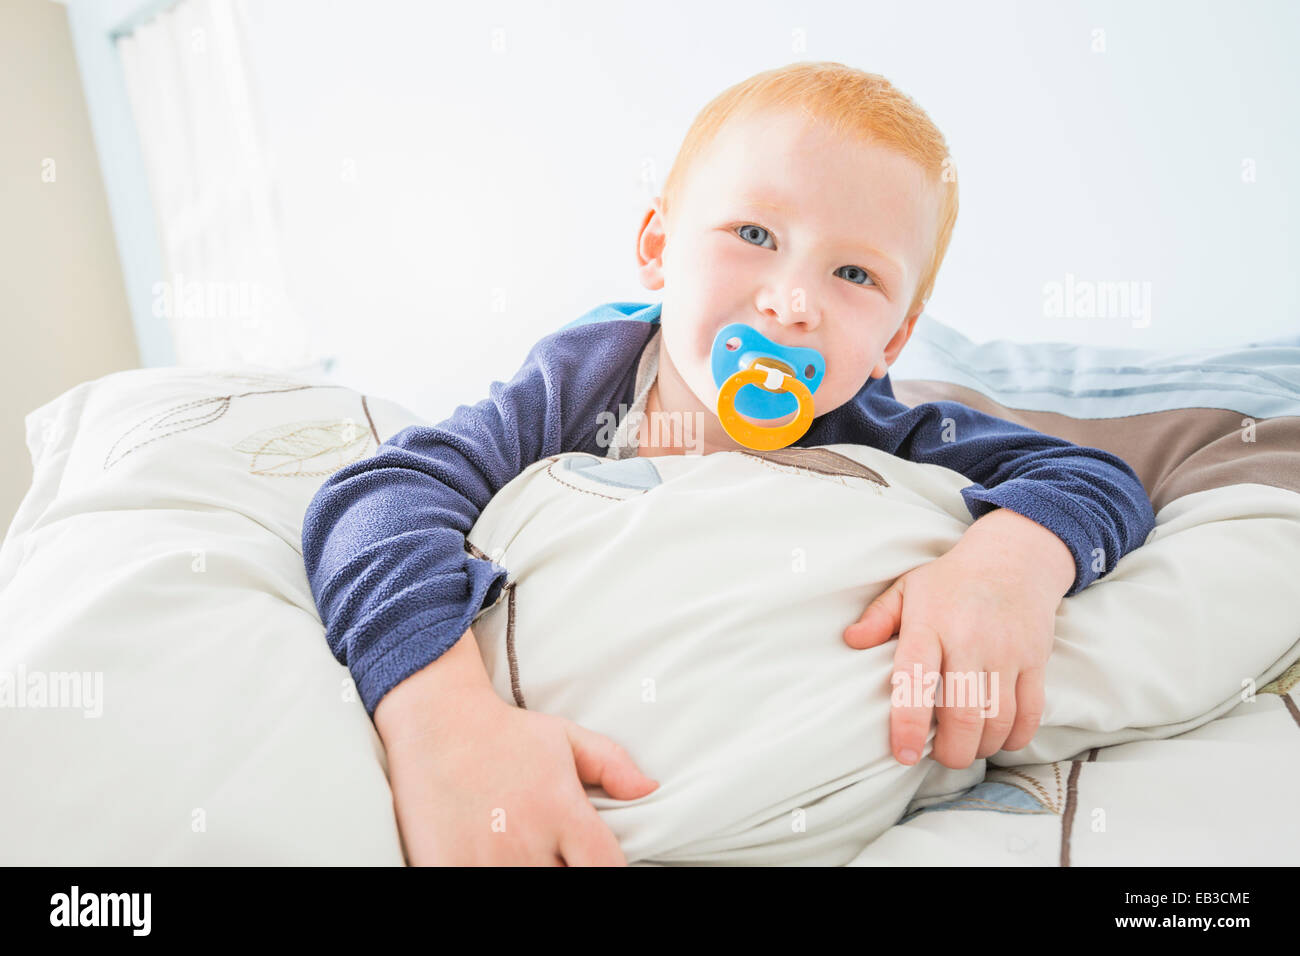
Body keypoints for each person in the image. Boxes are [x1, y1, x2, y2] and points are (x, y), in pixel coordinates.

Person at [300, 62, 1156, 865]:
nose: (791, 303)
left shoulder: (880, 426)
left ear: (893, 337)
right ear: (659, 248)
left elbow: (1094, 479)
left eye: (854, 273)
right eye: (754, 233)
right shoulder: (581, 380)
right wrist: (441, 719)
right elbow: (385, 492)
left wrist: (1005, 569)